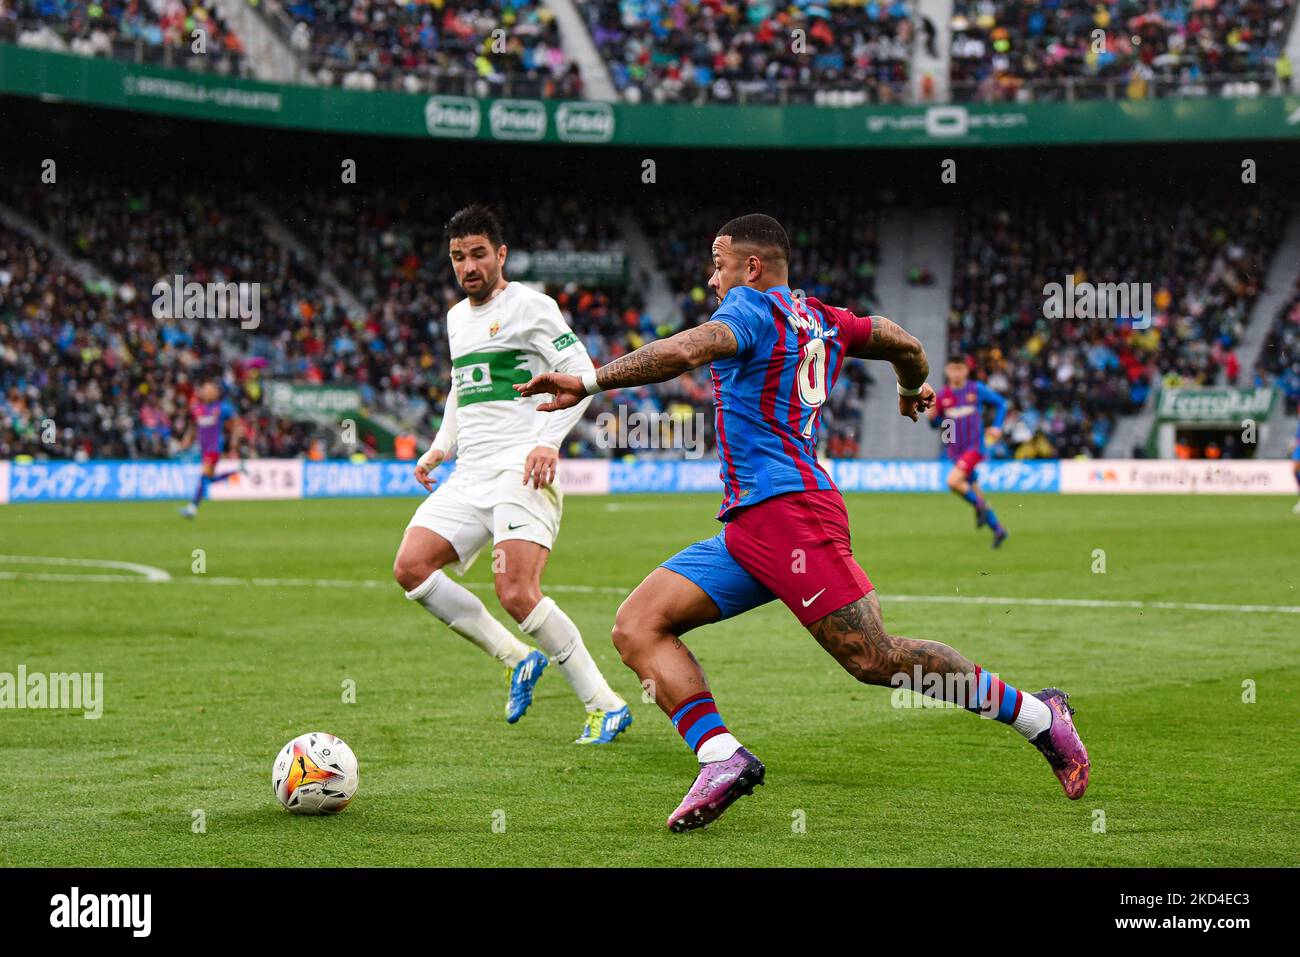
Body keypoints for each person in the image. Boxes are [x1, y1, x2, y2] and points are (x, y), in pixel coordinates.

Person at [517, 213, 1090, 830]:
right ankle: (721, 757)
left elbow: (684, 350)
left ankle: (1038, 715)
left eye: (719, 264)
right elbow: (905, 343)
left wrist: (588, 380)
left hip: (793, 515)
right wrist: (909, 388)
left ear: (751, 267)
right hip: (749, 527)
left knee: (873, 659)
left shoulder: (749, 310)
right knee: (636, 625)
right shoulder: (821, 315)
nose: (713, 279)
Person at [392, 205, 631, 744]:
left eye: (478, 253)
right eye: (458, 256)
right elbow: (462, 387)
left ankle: (606, 704)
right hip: (470, 472)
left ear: (500, 254)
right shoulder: (457, 318)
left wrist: (547, 442)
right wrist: (438, 448)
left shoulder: (530, 306)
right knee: (411, 568)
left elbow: (581, 376)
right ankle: (516, 657)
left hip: (521, 466)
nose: (468, 265)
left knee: (516, 591)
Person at [929, 355, 1009, 547]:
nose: (956, 372)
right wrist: (931, 417)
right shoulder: (942, 396)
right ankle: (998, 529)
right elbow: (936, 423)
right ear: (947, 370)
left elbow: (1001, 404)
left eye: (960, 368)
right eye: (952, 368)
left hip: (974, 448)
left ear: (966, 370)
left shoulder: (976, 389)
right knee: (974, 490)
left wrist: (997, 426)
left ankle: (980, 507)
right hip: (955, 450)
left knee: (953, 482)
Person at [179, 379, 244, 518]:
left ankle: (192, 507)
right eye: (205, 389)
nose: (208, 392)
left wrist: (234, 442)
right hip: (203, 448)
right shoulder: (196, 408)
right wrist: (187, 439)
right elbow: (193, 427)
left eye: (211, 389)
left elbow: (237, 423)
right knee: (209, 478)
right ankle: (234, 473)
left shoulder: (222, 407)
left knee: (203, 474)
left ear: (216, 393)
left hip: (214, 447)